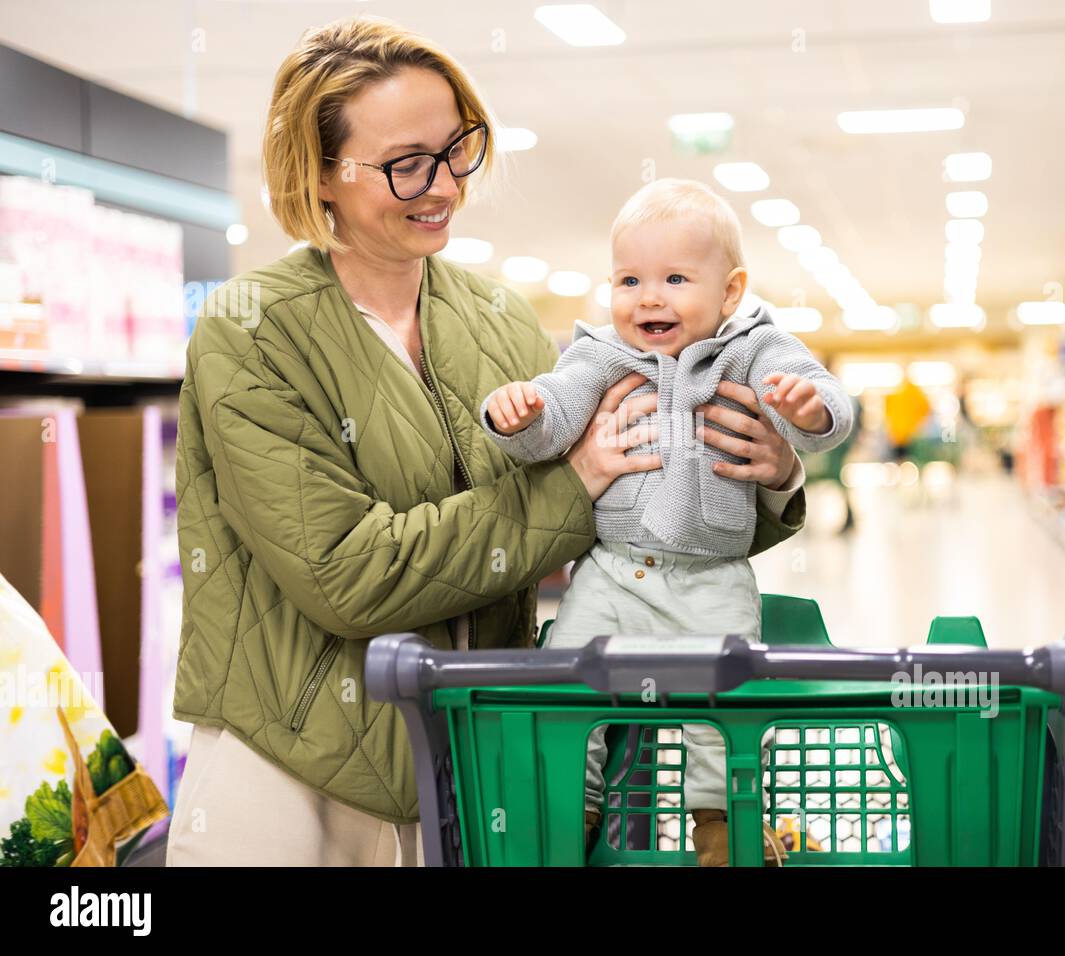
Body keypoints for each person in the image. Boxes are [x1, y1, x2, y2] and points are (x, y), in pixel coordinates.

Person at [165, 17, 808, 867]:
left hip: (474, 761)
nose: (443, 184)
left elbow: (641, 509)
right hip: (291, 770)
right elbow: (343, 573)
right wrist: (572, 486)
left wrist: (771, 475)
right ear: (322, 173)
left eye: (458, 147)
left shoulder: (500, 320)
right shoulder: (252, 331)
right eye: (407, 163)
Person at [481, 178, 854, 865]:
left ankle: (718, 819)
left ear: (731, 292)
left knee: (724, 705)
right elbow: (556, 413)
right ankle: (574, 803)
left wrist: (810, 409)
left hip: (711, 578)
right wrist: (522, 415)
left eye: (675, 278)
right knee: (567, 680)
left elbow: (827, 404)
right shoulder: (600, 354)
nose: (647, 297)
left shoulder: (753, 349)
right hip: (612, 574)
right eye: (628, 279)